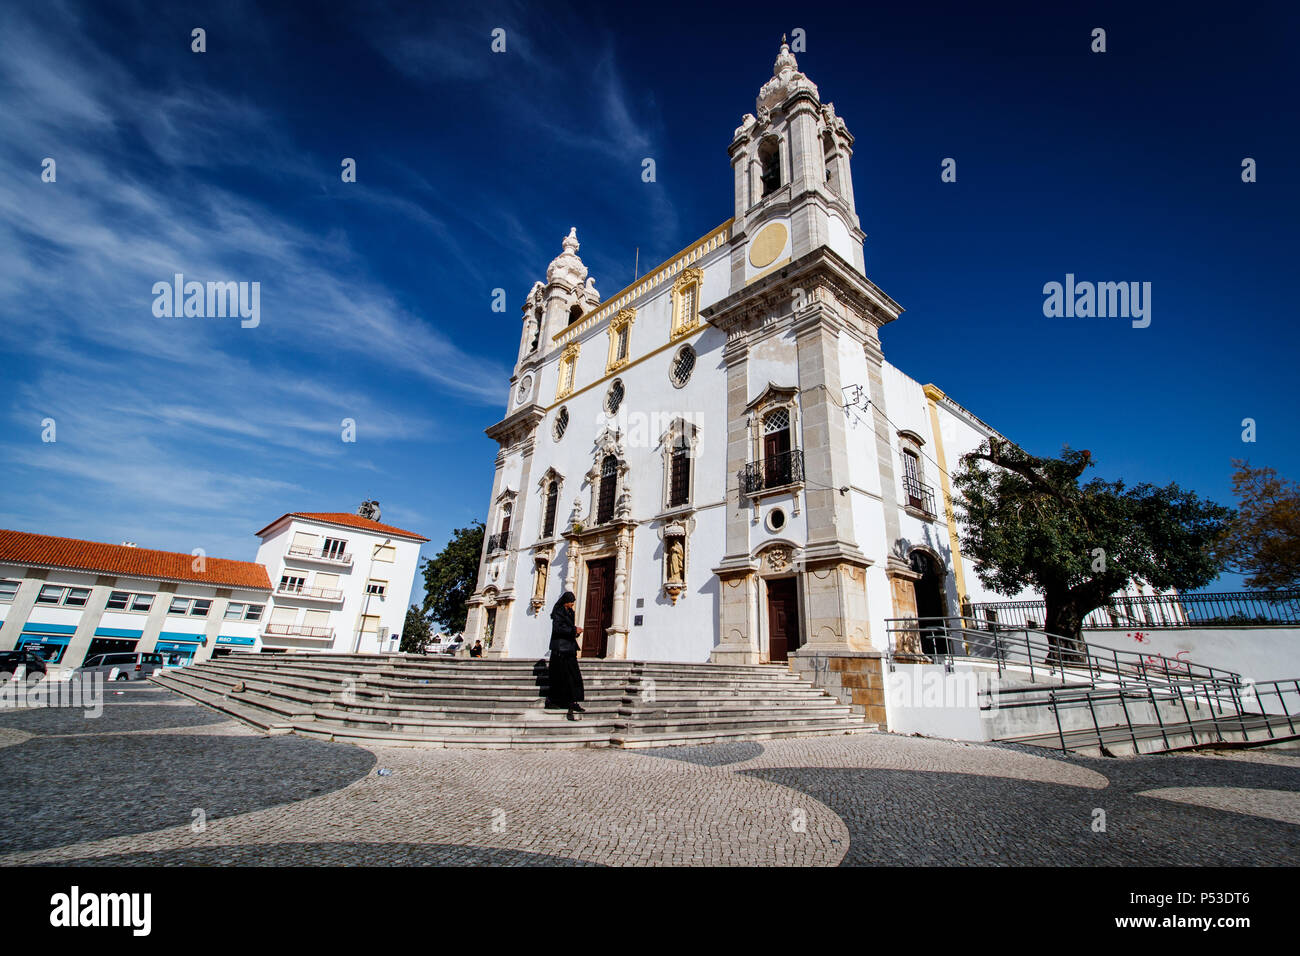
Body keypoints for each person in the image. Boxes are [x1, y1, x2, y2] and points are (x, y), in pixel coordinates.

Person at [547, 591, 586, 720]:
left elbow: (567, 627)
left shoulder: (570, 612)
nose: (572, 604)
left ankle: (573, 701)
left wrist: (575, 632)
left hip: (569, 649)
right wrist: (574, 630)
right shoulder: (558, 611)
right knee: (559, 677)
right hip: (560, 650)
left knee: (574, 676)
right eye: (571, 602)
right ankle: (554, 701)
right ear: (565, 601)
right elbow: (557, 629)